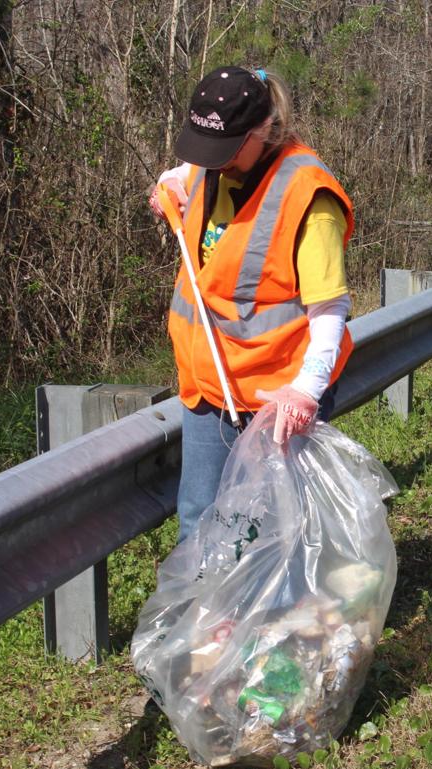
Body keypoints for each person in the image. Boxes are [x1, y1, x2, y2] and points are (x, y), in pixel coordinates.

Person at [148, 66, 355, 542]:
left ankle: (279, 595)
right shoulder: (212, 164)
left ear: (262, 131)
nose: (212, 162)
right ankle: (207, 595)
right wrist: (165, 189)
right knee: (200, 517)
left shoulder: (308, 197)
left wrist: (306, 391)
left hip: (279, 397)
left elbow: (328, 311)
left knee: (271, 529)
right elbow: (181, 175)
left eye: (223, 149)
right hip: (208, 385)